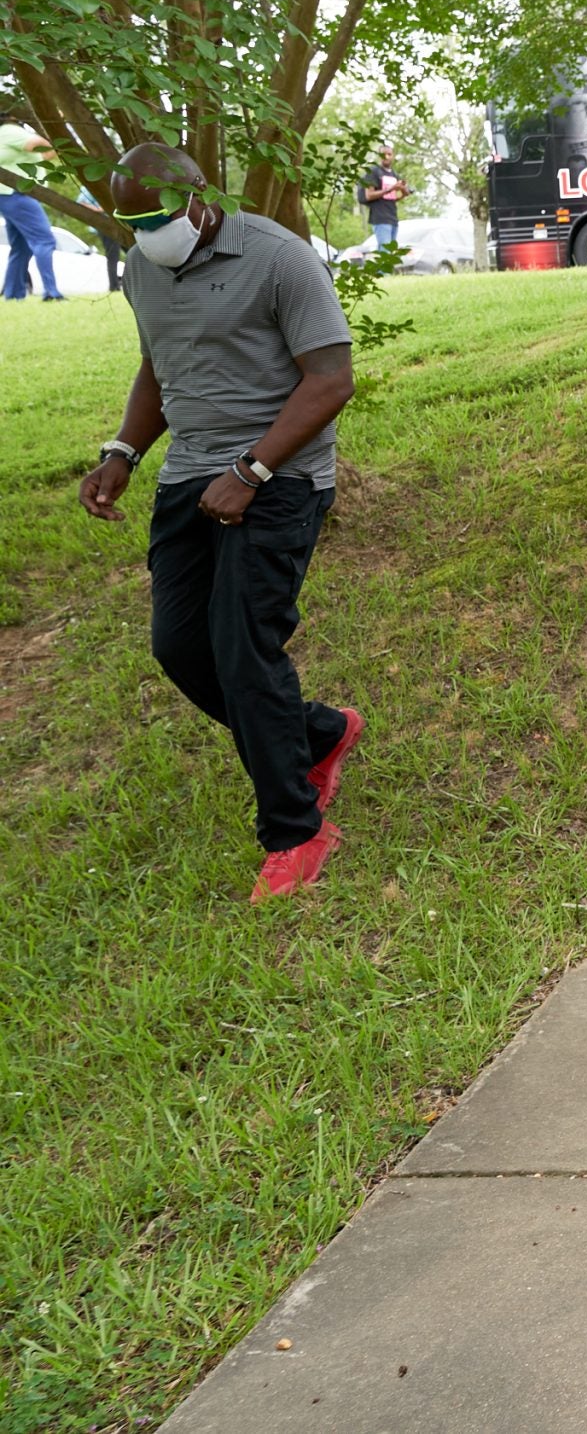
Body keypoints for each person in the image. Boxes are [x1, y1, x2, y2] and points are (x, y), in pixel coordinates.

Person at [77, 143, 364, 900]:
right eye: (131, 222)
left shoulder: (279, 258)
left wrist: (251, 471)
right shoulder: (143, 266)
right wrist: (124, 452)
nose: (146, 234)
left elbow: (331, 380)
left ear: (201, 197)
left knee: (242, 644)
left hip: (279, 476)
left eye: (158, 218)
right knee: (178, 646)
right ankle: (320, 734)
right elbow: (160, 365)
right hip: (188, 477)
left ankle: (297, 831)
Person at [0, 121, 65, 301]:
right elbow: (41, 145)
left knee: (21, 248)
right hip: (17, 195)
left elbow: (46, 155)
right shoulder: (11, 130)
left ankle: (13, 294)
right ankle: (51, 292)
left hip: (7, 196)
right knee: (44, 241)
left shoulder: (6, 134)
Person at [358, 145, 406, 251]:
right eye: (384, 154)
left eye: (389, 154)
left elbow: (392, 198)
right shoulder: (373, 171)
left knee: (391, 253)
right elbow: (369, 195)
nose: (387, 157)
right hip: (380, 218)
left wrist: (403, 192)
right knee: (385, 252)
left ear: (393, 156)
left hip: (393, 217)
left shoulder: (394, 174)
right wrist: (391, 188)